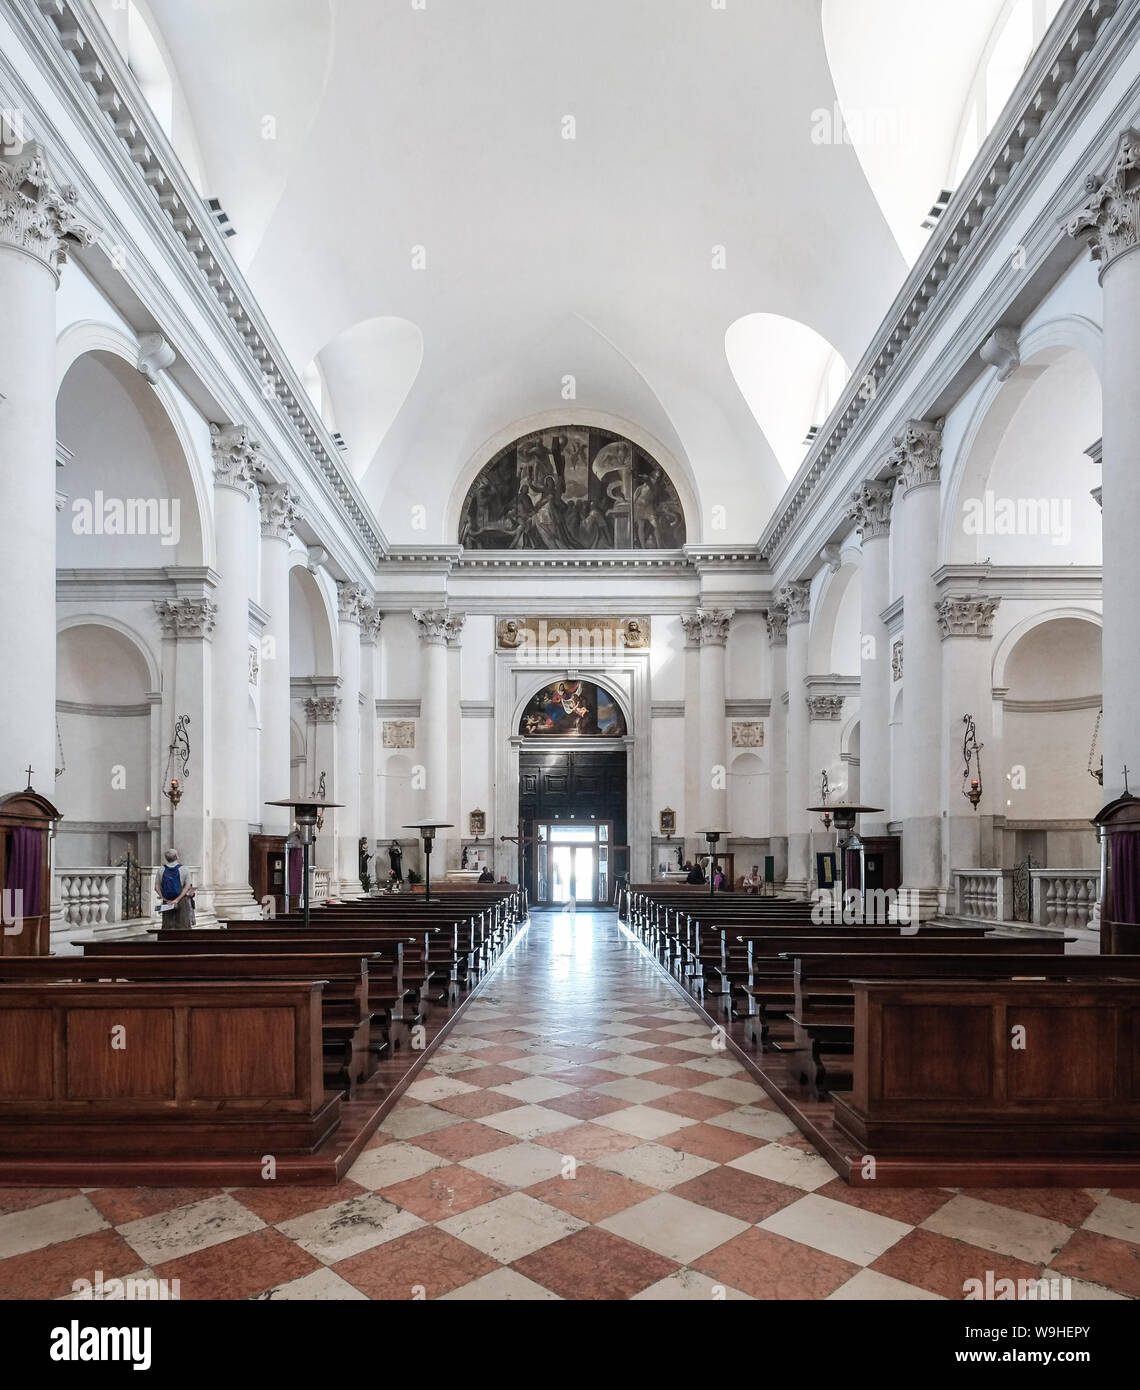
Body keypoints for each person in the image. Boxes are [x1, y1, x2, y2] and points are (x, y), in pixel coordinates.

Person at [154, 849, 194, 929]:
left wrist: (164, 898)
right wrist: (177, 899)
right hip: (182, 900)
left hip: (167, 901)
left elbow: (156, 887)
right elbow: (187, 887)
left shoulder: (161, 869)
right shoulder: (184, 869)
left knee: (167, 926)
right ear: (177, 857)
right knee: (183, 925)